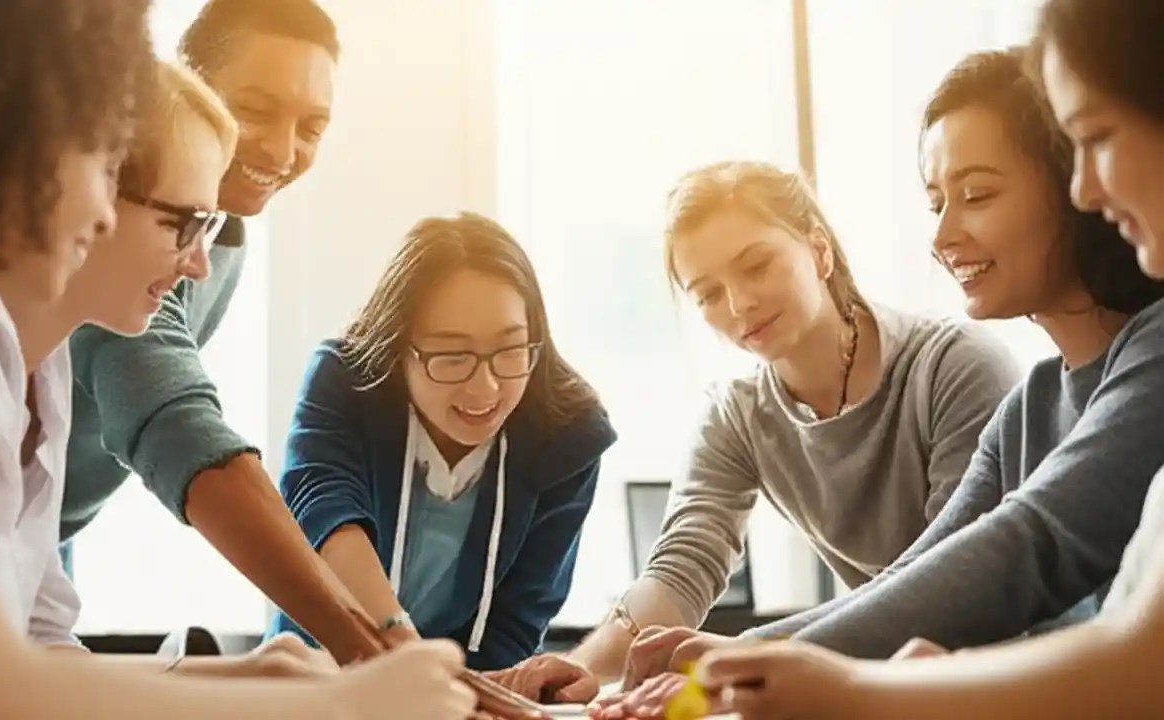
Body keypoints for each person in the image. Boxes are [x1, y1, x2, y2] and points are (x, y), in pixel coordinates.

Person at [0, 1, 475, 718]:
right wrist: (347, 694)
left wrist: (236, 680)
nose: (102, 211)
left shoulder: (20, 366)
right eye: (100, 158)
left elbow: (33, 647)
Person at [692, 3, 1164, 718]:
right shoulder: (1029, 407)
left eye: (976, 195)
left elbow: (1023, 550)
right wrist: (741, 656)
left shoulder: (1151, 353)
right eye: (936, 200)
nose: (943, 235)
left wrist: (766, 671)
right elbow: (919, 573)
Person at [492, 160, 1021, 703]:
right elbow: (682, 566)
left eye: (757, 265)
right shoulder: (737, 416)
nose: (739, 304)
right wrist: (583, 670)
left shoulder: (955, 368)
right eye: (708, 294)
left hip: (1016, 676)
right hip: (893, 678)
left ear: (819, 250)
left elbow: (950, 581)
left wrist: (740, 655)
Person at [59, 0, 387, 661]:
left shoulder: (220, 235)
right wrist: (365, 645)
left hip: (38, 531)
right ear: (185, 85)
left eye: (312, 126)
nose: (282, 148)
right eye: (257, 110)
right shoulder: (115, 232)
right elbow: (180, 430)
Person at [269, 212, 617, 669]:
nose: (485, 389)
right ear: (399, 345)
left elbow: (519, 618)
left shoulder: (570, 431)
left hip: (459, 687)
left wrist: (465, 697)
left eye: (511, 350)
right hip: (319, 673)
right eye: (452, 356)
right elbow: (323, 512)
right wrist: (401, 646)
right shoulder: (344, 381)